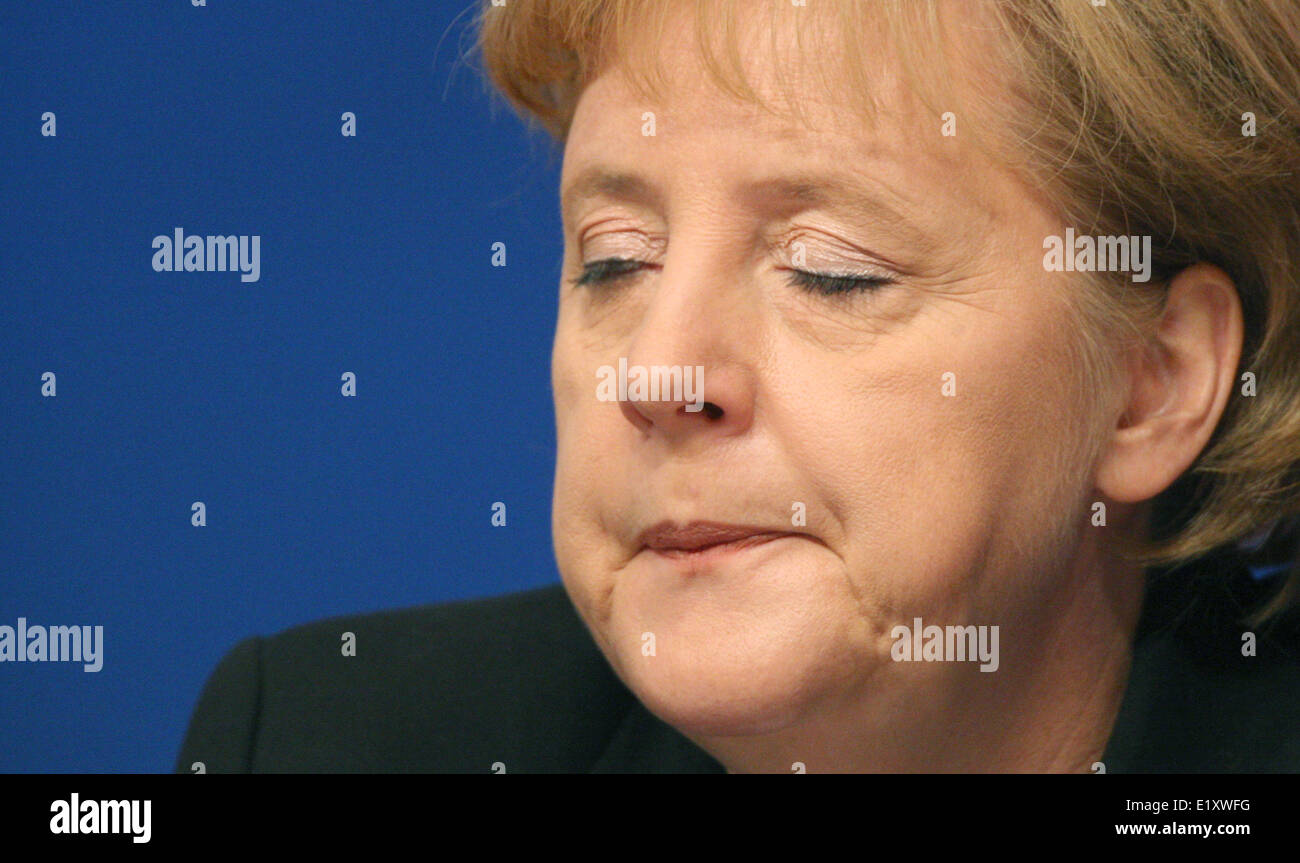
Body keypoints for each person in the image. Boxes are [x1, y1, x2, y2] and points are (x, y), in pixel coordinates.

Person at [176, 0, 1300, 773]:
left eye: (830, 270)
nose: (660, 373)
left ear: (1152, 382)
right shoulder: (328, 741)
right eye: (615, 257)